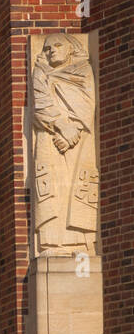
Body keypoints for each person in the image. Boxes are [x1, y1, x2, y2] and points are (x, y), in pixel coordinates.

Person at [31, 33, 97, 255]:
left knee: (79, 188)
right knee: (52, 189)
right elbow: (40, 107)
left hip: (80, 142)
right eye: (48, 48)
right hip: (50, 139)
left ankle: (81, 243)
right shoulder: (40, 73)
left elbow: (88, 105)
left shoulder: (83, 71)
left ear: (70, 48)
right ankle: (51, 243)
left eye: (57, 45)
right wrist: (61, 126)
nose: (52, 51)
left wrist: (72, 132)